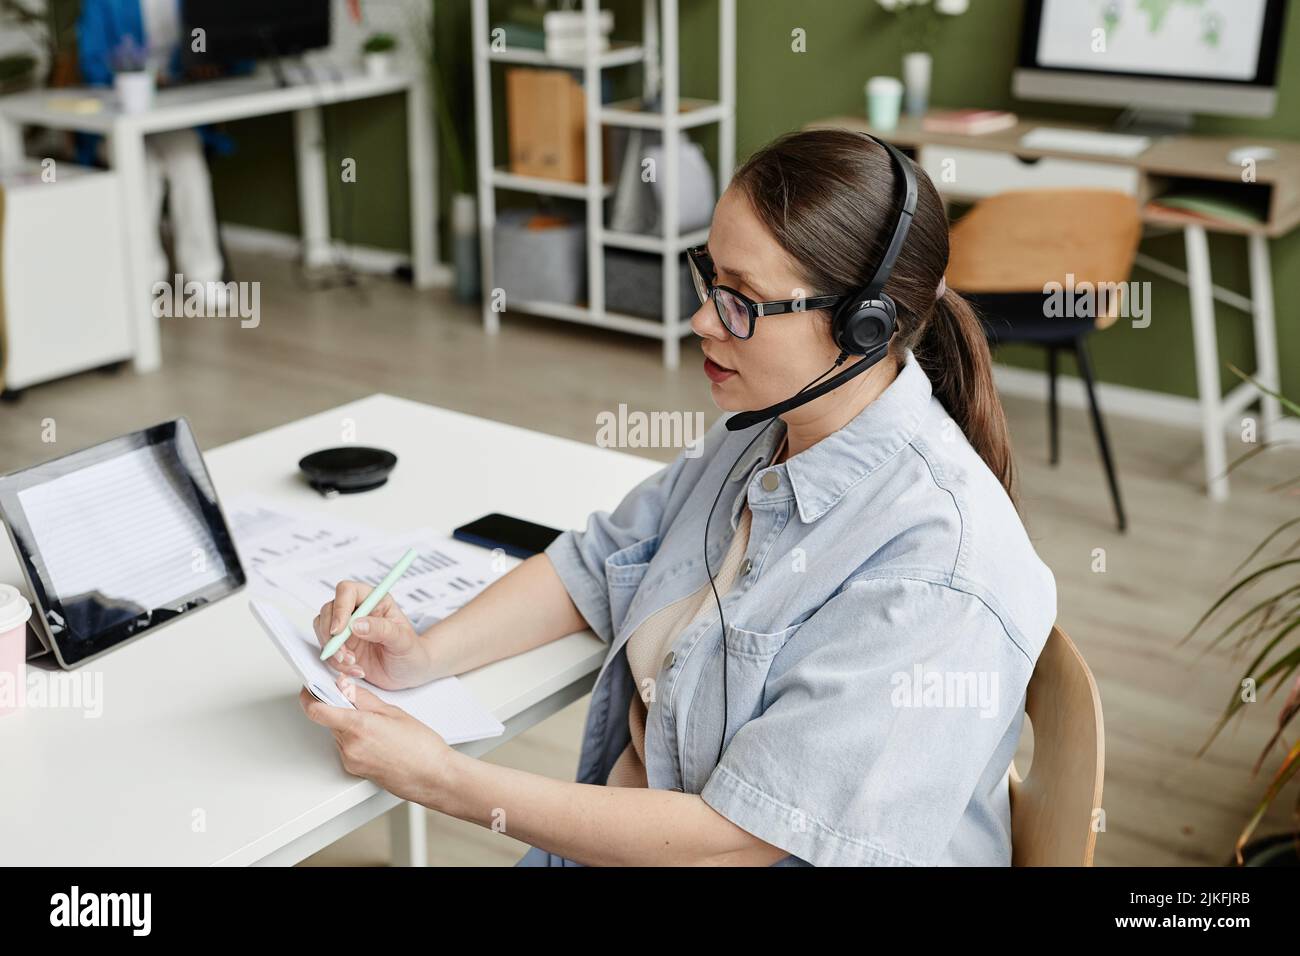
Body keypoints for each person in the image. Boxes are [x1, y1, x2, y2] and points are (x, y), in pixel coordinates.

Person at [299, 128, 1057, 867]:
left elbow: (735, 841)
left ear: (863, 328)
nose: (701, 319)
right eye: (709, 278)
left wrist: (440, 778)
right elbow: (599, 560)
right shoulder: (758, 431)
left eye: (743, 300)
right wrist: (423, 654)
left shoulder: (938, 570)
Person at [77, 0, 225, 288]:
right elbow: (92, 63)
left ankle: (204, 276)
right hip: (119, 115)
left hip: (170, 112)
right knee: (144, 171)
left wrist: (207, 63)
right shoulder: (102, 4)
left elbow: (215, 46)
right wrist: (139, 76)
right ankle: (147, 277)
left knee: (188, 162)